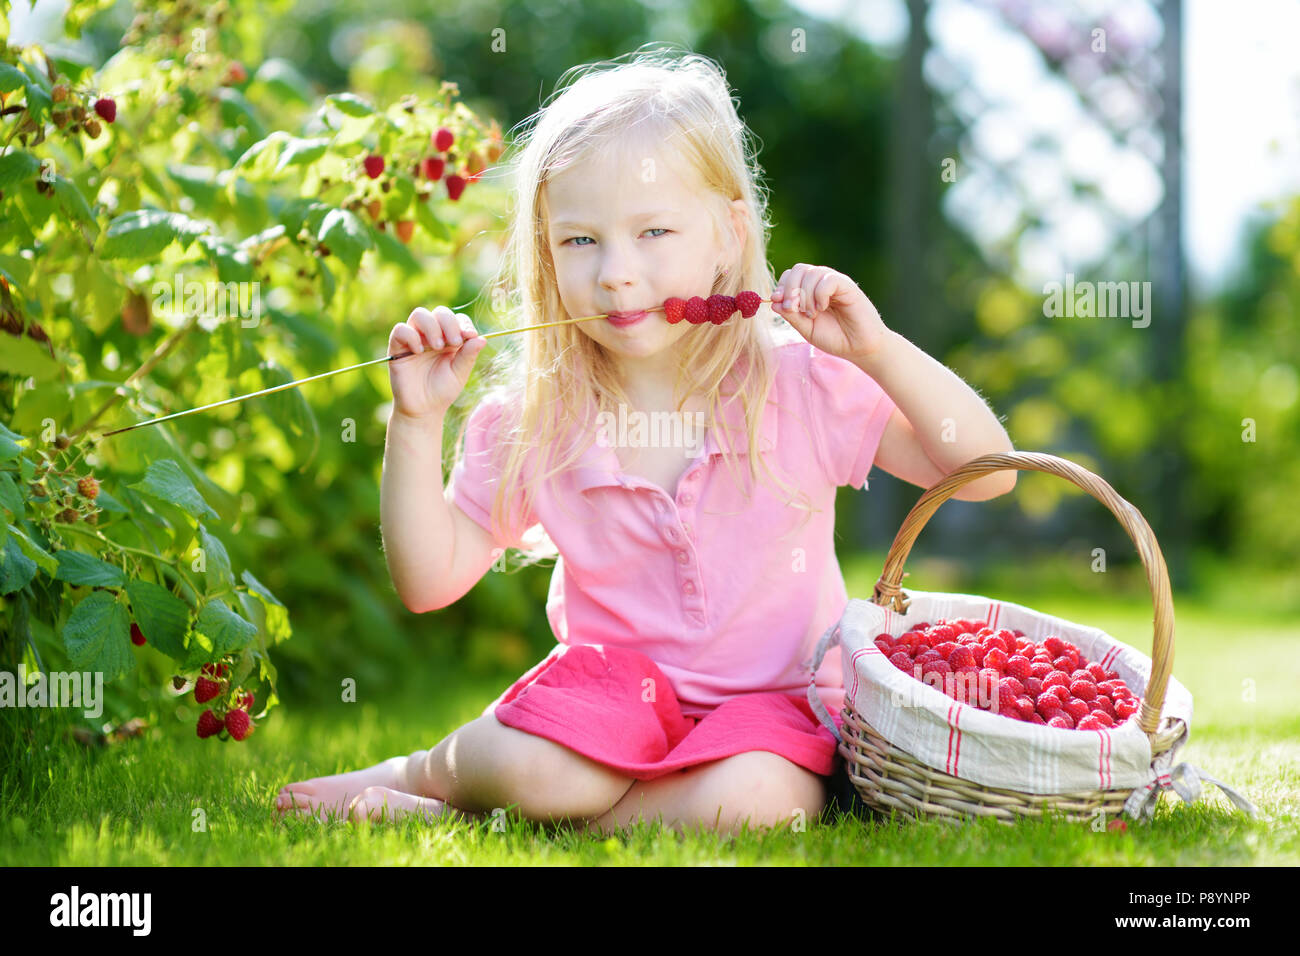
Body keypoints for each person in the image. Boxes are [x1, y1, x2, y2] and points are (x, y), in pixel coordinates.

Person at [274, 47, 1016, 836]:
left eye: (654, 230)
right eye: (580, 241)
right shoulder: (537, 416)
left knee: (765, 802)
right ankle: (416, 774)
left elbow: (983, 475)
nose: (617, 275)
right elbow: (428, 582)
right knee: (535, 766)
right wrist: (417, 423)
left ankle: (499, 823)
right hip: (605, 703)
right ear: (543, 253)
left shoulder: (799, 384)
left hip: (774, 709)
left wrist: (878, 352)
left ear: (729, 235)